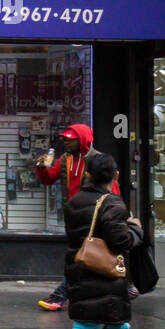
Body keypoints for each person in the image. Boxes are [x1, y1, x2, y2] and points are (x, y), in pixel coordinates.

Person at [38, 152, 154, 329]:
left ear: (87, 174)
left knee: (118, 324)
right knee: (87, 327)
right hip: (104, 273)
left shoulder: (75, 201)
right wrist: (135, 228)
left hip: (82, 269)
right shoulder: (113, 203)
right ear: (116, 176)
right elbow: (119, 241)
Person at [35, 123, 118, 310]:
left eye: (70, 140)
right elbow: (49, 179)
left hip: (94, 215)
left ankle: (59, 296)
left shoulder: (98, 161)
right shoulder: (65, 159)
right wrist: (41, 168)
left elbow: (112, 188)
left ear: (82, 140)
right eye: (64, 139)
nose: (65, 143)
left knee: (78, 256)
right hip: (74, 215)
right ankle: (123, 286)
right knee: (80, 256)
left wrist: (113, 212)